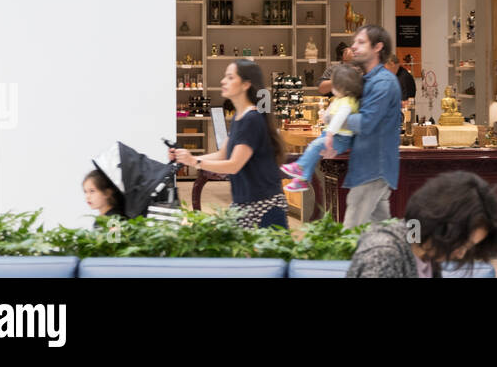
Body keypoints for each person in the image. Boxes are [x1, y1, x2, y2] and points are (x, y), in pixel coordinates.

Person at [169, 59, 289, 228]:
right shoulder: (239, 117)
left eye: (230, 77)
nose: (223, 81)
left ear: (246, 84)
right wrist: (186, 158)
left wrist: (195, 162)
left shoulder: (251, 119)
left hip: (263, 207)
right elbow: (222, 155)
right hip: (244, 204)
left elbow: (234, 165)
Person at [347, 171, 497, 278]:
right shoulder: (382, 255)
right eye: (462, 244)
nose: (460, 254)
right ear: (440, 223)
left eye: (468, 247)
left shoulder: (423, 246)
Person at [341, 24, 403, 228]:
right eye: (354, 42)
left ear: (378, 47)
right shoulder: (369, 81)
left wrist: (335, 119)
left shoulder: (383, 83)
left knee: (351, 231)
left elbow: (366, 123)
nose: (354, 47)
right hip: (369, 166)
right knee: (382, 230)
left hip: (373, 168)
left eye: (360, 42)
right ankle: (402, 259)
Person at [281, 62, 363, 192]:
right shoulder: (339, 99)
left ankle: (299, 168)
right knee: (313, 151)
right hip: (332, 135)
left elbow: (339, 119)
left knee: (314, 147)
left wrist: (330, 134)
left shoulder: (347, 102)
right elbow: (329, 115)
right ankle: (302, 179)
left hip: (339, 138)